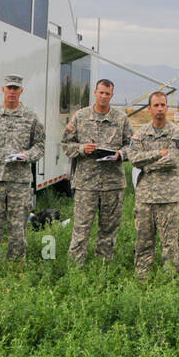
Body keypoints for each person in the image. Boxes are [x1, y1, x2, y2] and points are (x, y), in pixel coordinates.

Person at [0, 74, 45, 288]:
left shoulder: (31, 118)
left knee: (18, 227)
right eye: (9, 88)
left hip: (19, 182)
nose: (12, 92)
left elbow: (40, 146)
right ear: (3, 90)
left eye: (16, 88)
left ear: (21, 91)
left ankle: (16, 270)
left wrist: (27, 155)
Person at [61, 78, 133, 265]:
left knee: (108, 230)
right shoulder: (80, 116)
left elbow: (133, 147)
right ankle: (75, 270)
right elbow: (66, 144)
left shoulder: (121, 119)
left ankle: (103, 268)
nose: (103, 96)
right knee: (81, 228)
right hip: (86, 184)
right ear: (95, 93)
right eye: (101, 92)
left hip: (113, 184)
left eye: (107, 93)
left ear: (112, 95)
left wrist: (120, 154)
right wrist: (83, 148)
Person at [126, 91, 179, 279]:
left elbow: (174, 159)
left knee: (169, 241)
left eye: (163, 105)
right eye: (156, 105)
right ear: (149, 108)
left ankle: (169, 278)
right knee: (143, 239)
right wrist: (158, 154)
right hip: (145, 196)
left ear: (167, 107)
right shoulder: (141, 134)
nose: (160, 109)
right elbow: (134, 159)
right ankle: (143, 277)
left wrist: (148, 166)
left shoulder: (176, 132)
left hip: (168, 196)